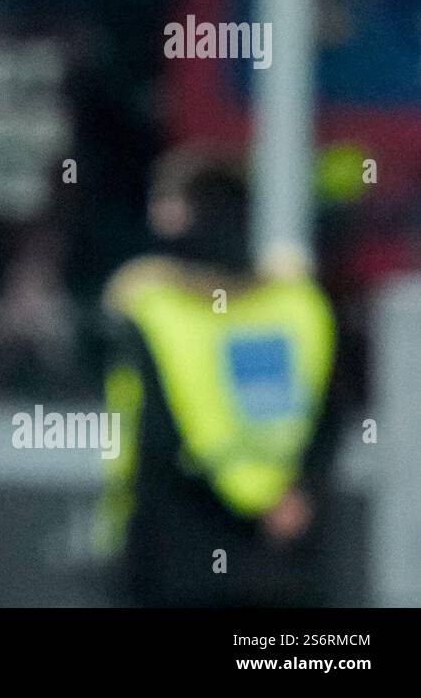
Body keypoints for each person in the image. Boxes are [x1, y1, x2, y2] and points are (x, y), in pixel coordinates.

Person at [94, 148, 343, 607]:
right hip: (285, 544)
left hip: (174, 550)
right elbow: (329, 420)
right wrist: (297, 495)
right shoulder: (298, 304)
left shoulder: (152, 309)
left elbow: (153, 440)